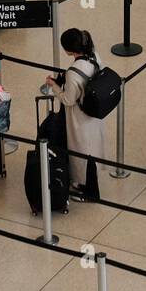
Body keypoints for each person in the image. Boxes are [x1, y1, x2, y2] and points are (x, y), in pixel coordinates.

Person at [45, 28, 107, 202]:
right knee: (92, 150)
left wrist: (53, 85)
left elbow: (68, 99)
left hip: (80, 118)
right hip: (95, 114)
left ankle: (88, 191)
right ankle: (84, 183)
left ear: (68, 50)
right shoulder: (94, 55)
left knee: (82, 153)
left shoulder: (73, 72)